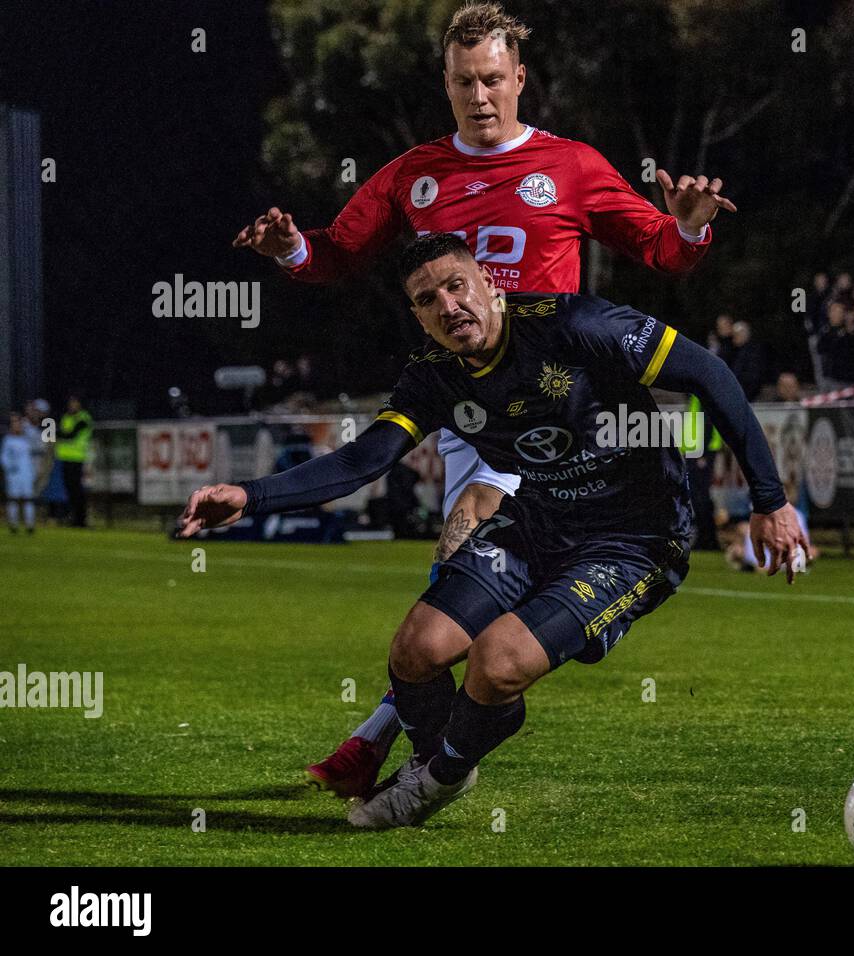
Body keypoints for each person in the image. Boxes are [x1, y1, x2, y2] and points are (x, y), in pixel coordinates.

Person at [232, 1, 736, 795]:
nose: (480, 95)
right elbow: (338, 252)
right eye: (465, 80)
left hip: (554, 405)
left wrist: (691, 229)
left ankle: (389, 745)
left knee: (465, 545)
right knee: (457, 585)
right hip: (463, 398)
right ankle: (423, 747)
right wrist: (290, 247)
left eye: (493, 78)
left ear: (520, 77)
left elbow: (660, 250)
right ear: (447, 81)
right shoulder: (415, 173)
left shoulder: (570, 166)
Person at [177, 234, 807, 828]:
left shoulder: (574, 326)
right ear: (419, 318)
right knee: (415, 652)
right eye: (428, 301)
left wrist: (769, 501)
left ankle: (437, 779)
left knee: (498, 661)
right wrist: (248, 495)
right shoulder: (432, 377)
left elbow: (711, 374)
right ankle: (439, 755)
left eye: (457, 286)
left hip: (632, 541)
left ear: (491, 283)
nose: (448, 306)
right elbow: (361, 460)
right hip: (537, 521)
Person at [55, 395, 92, 527]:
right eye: (71, 403)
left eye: (75, 403)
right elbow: (61, 433)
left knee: (77, 490)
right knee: (69, 489)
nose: (72, 405)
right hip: (65, 458)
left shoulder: (83, 418)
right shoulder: (66, 417)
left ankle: (81, 519)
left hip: (77, 458)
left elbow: (70, 435)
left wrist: (55, 433)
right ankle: (74, 518)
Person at [3, 412, 37, 534]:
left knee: (28, 499)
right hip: (13, 475)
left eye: (18, 423)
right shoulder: (8, 440)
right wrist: (10, 468)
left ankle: (30, 525)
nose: (17, 426)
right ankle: (13, 525)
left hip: (27, 475)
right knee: (13, 499)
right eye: (14, 423)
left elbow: (38, 436)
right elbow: (4, 458)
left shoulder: (27, 439)